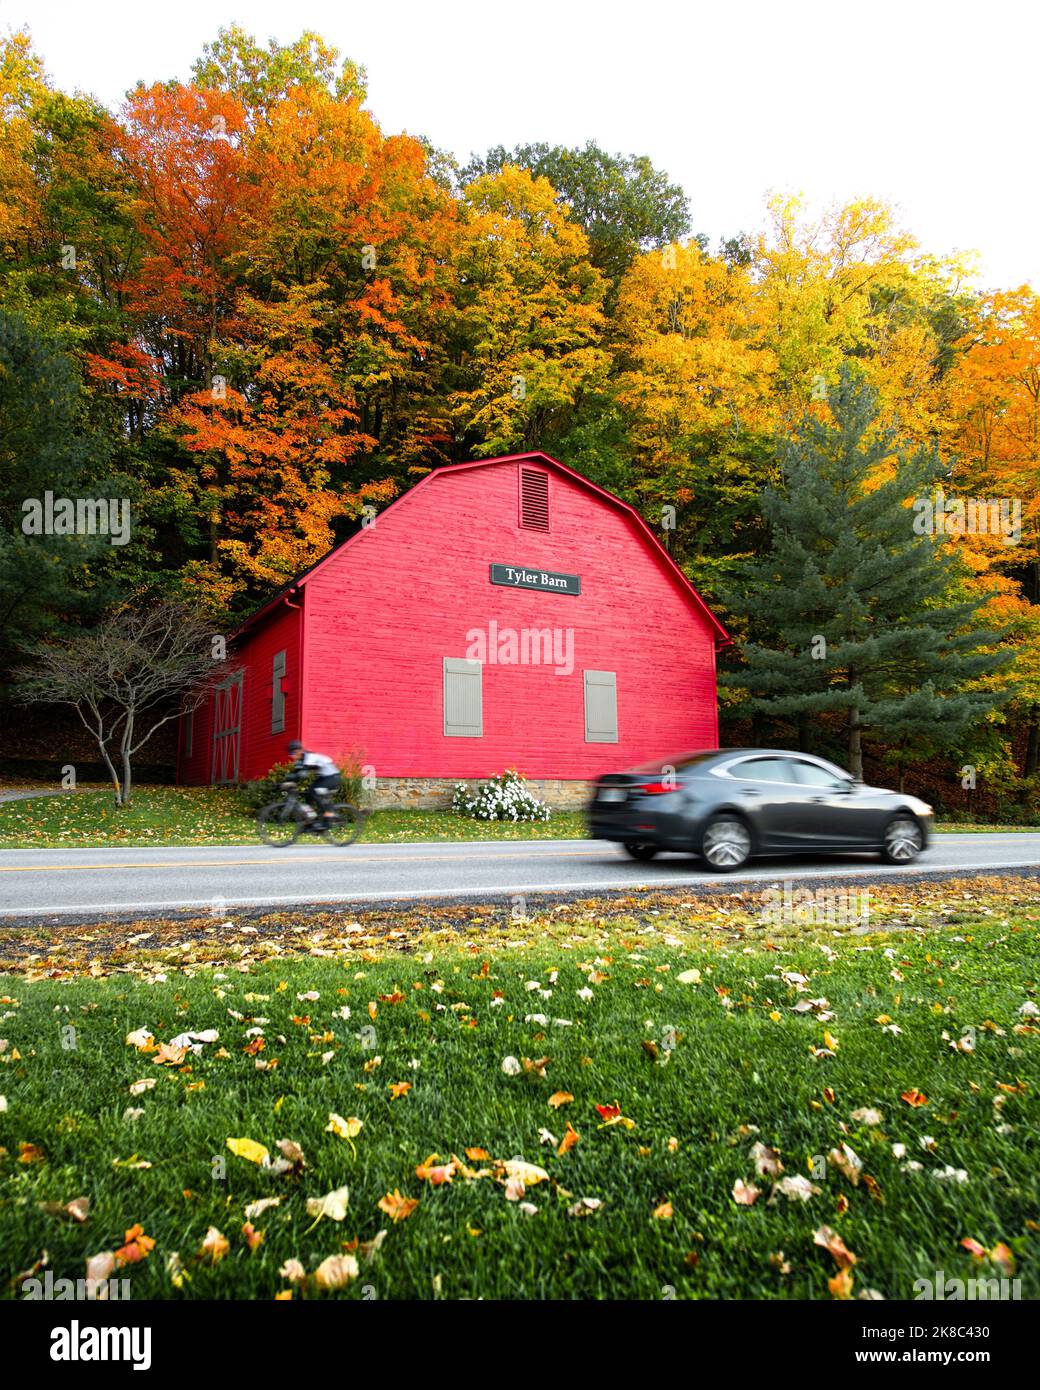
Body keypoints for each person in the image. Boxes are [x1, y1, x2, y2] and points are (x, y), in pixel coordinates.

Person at [286, 740, 340, 822]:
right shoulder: (300, 760)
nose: (292, 756)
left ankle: (329, 813)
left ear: (299, 751)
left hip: (332, 776)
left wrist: (291, 782)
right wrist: (284, 782)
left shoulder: (309, 757)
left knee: (315, 791)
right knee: (309, 793)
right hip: (323, 777)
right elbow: (295, 773)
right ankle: (311, 818)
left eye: (293, 753)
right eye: (290, 754)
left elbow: (302, 773)